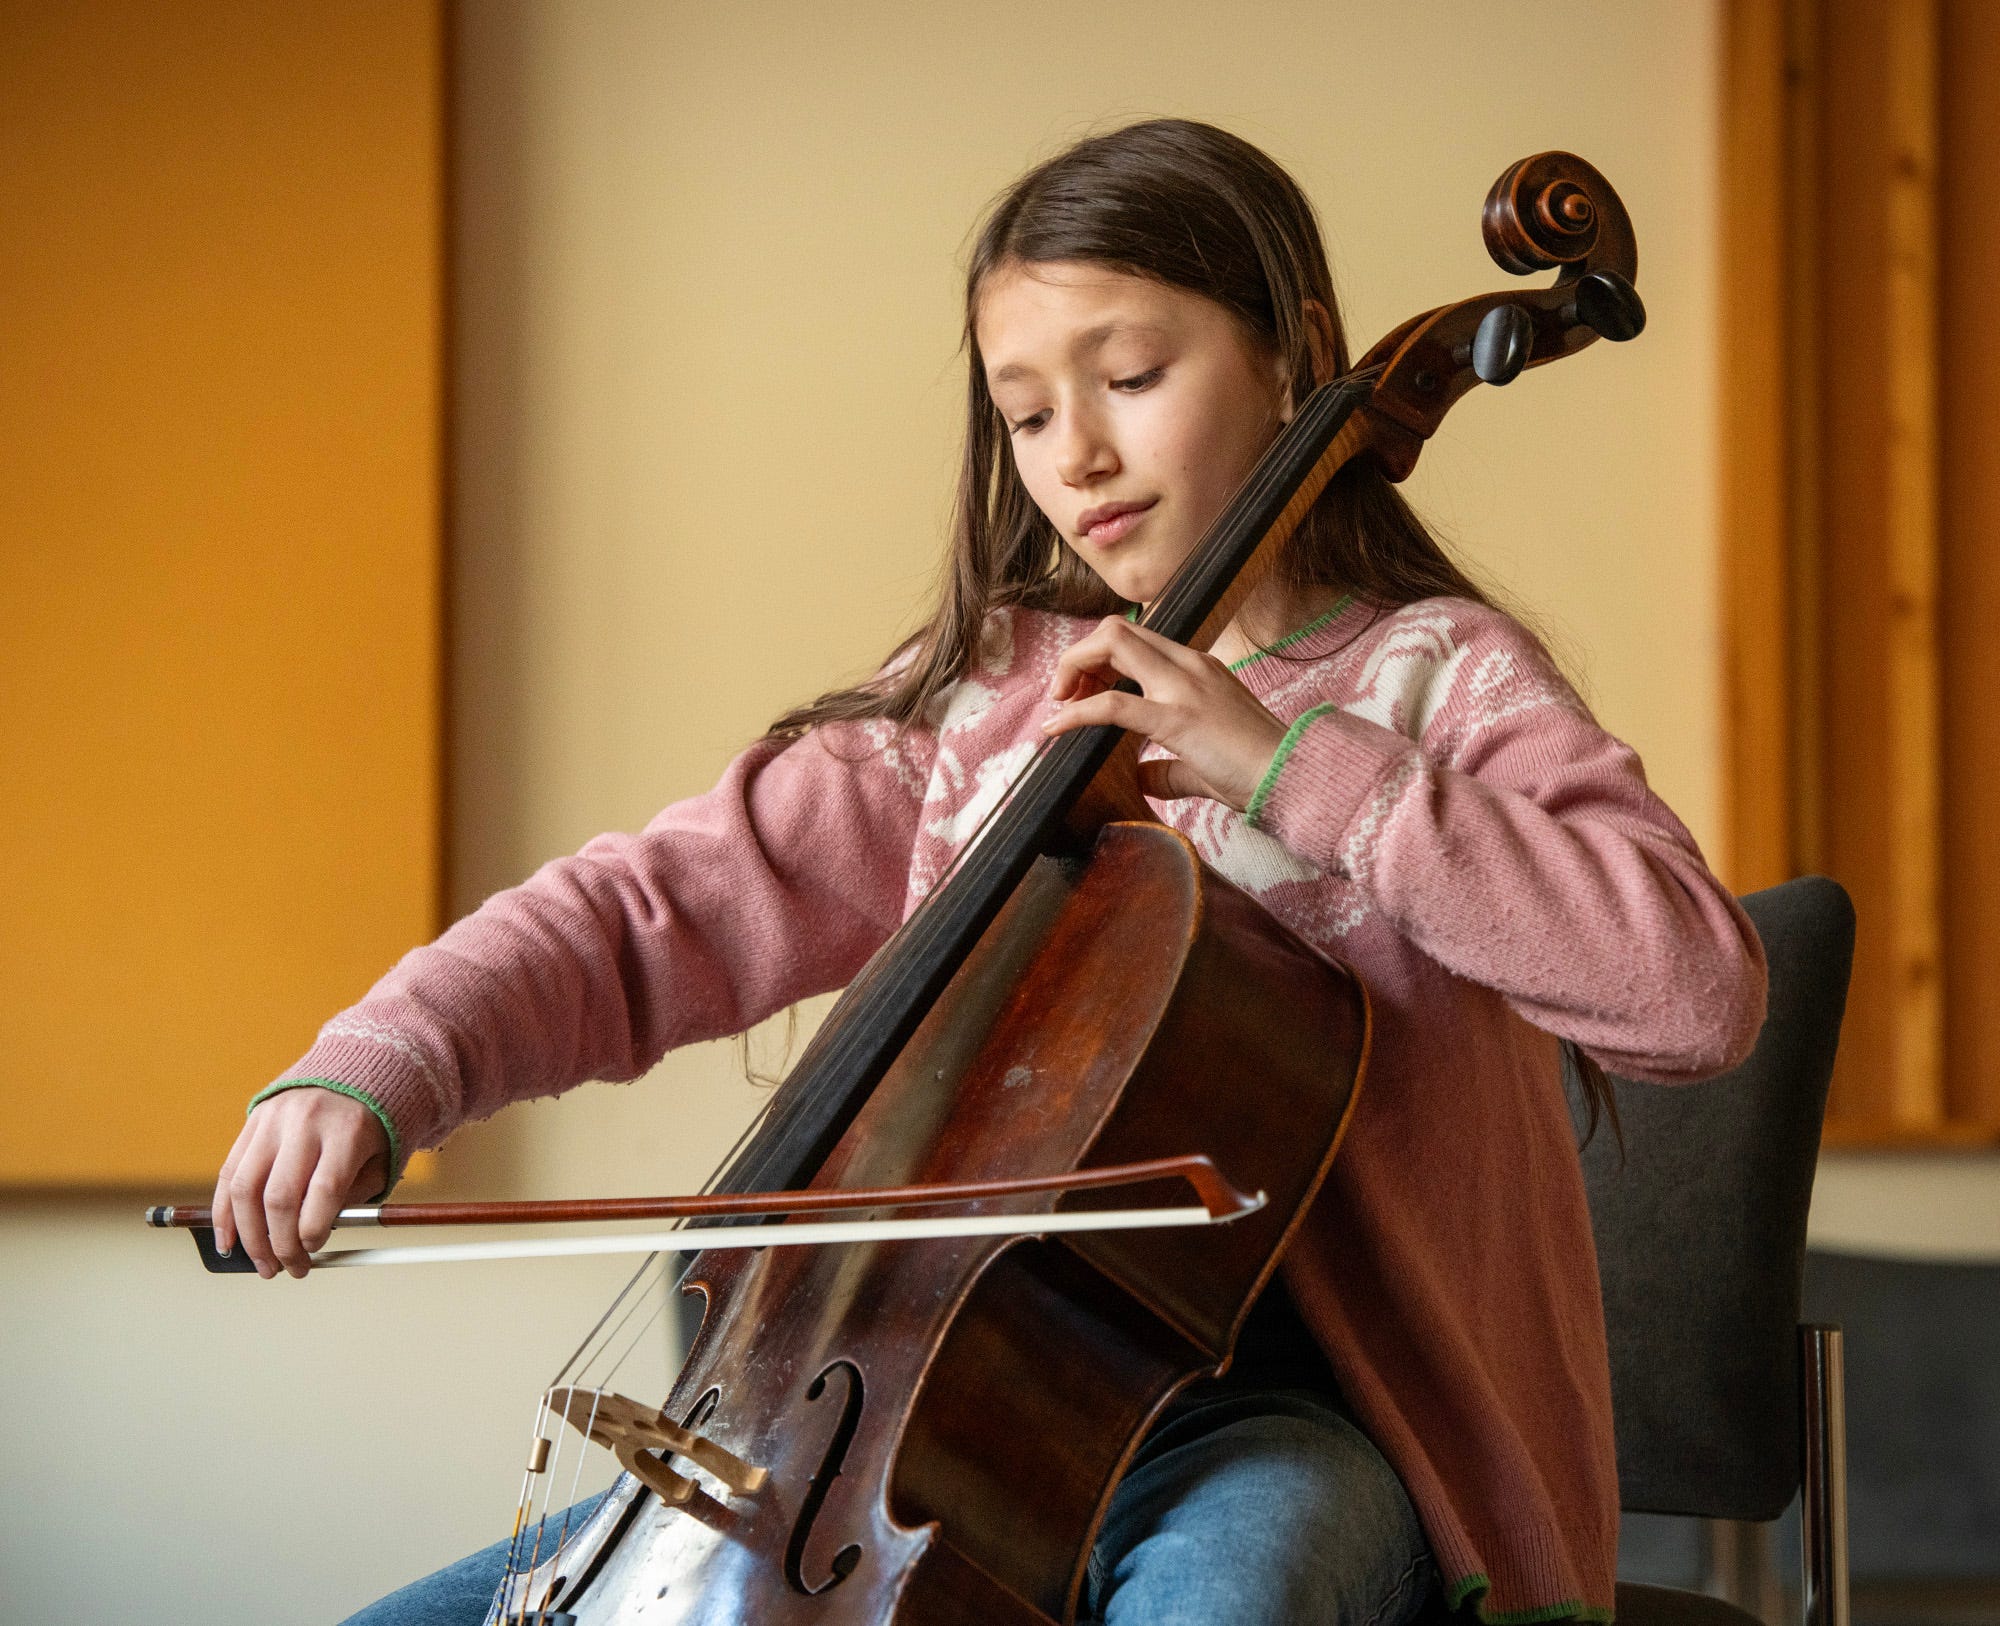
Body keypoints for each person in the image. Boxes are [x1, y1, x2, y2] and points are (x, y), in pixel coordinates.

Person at [212, 119, 1766, 1625]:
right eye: (1025, 413)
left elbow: (1694, 992)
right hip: (922, 1422)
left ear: (1294, 354)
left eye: (1134, 376)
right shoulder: (988, 698)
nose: (1075, 454)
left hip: (1300, 1432)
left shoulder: (1434, 683)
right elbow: (650, 906)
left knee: (1233, 1592)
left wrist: (1295, 766)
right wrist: (380, 1068)